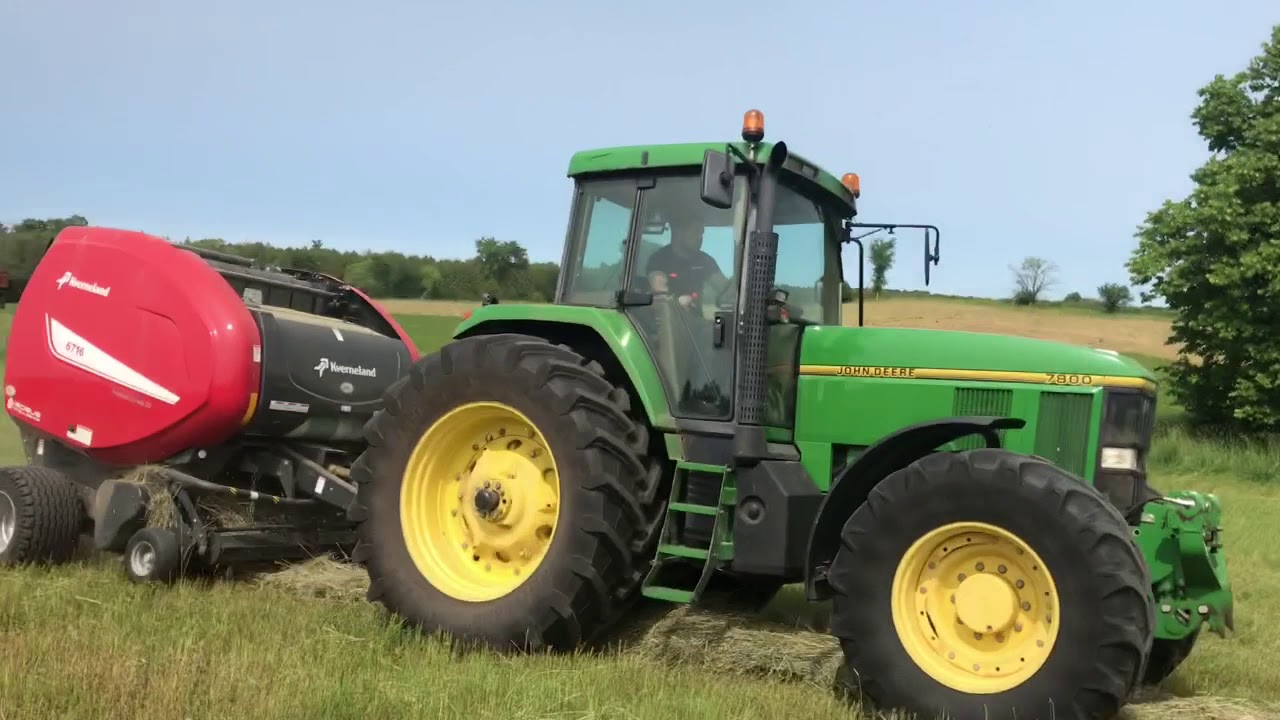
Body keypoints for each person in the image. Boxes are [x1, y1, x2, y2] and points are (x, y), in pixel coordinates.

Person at [644, 221, 730, 315]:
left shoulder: (705, 260)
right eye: (696, 231)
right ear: (679, 232)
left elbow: (726, 289)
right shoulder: (659, 260)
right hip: (668, 320)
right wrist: (677, 302)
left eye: (701, 233)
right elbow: (659, 292)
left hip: (695, 323)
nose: (700, 237)